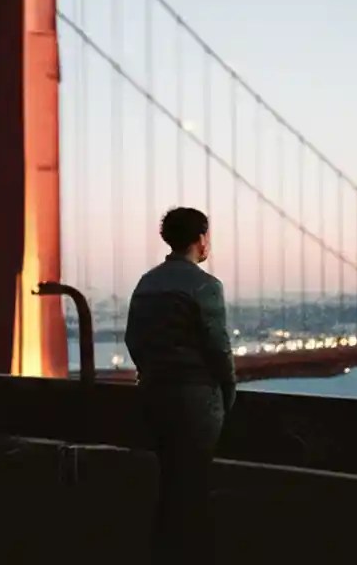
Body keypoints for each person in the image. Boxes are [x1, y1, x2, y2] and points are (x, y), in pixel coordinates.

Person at [125, 207, 236, 563]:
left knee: (164, 484)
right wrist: (227, 393)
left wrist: (153, 373)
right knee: (193, 485)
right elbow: (218, 349)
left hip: (152, 396)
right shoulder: (206, 286)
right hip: (195, 402)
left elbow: (132, 340)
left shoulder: (146, 283)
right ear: (201, 239)